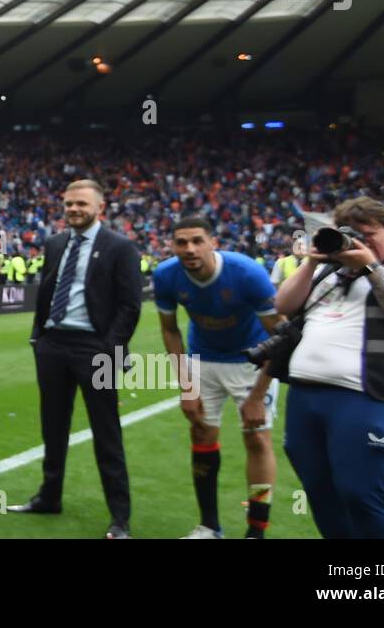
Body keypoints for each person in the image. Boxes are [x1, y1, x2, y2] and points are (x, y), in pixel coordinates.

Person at [275, 197, 384, 539]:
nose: (359, 242)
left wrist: (371, 266)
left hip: (370, 396)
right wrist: (311, 262)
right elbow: (283, 304)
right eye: (351, 234)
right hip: (306, 396)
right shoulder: (328, 273)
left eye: (369, 234)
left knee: (361, 495)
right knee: (322, 495)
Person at [11, 179, 142, 539]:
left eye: (81, 204)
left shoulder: (121, 247)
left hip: (96, 348)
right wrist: (39, 336)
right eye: (68, 204)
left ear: (100, 207)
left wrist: (107, 348)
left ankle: (120, 518)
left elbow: (130, 306)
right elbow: (47, 290)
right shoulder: (55, 243)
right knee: (52, 426)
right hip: (53, 345)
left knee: (106, 433)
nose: (73, 210)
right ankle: (49, 497)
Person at [152, 216, 280, 538]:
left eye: (197, 240)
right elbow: (170, 330)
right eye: (181, 242)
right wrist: (187, 387)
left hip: (253, 360)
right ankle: (209, 526)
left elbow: (281, 338)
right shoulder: (165, 275)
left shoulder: (247, 272)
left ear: (214, 242)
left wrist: (256, 397)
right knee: (201, 435)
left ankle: (256, 532)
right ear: (172, 246)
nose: (189, 248)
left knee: (257, 438)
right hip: (203, 359)